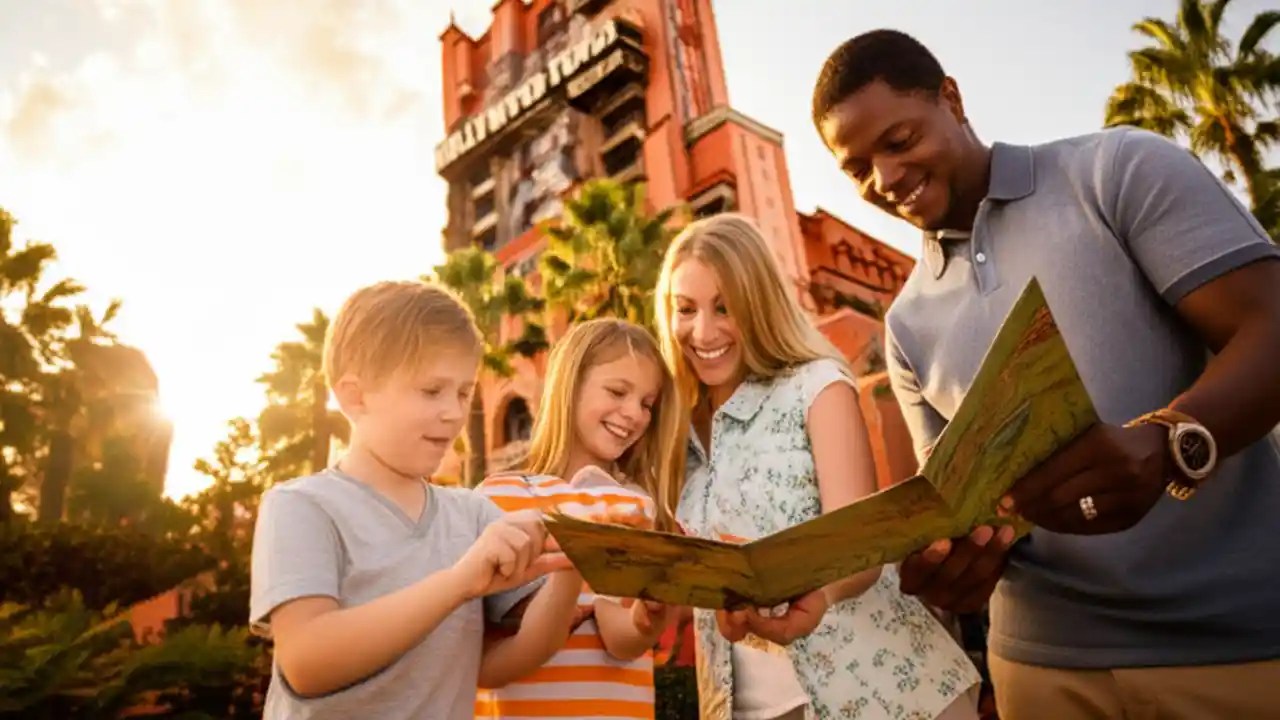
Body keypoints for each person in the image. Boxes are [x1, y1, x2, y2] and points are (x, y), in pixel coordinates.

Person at [809, 29, 1280, 719]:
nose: (883, 178)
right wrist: (955, 564)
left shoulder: (1113, 170)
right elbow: (962, 502)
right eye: (856, 169)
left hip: (1234, 646)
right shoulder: (904, 323)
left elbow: (1269, 324)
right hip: (1039, 665)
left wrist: (1170, 442)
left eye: (900, 140)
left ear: (951, 99)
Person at [653, 213, 981, 720]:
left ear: (758, 304)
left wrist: (813, 595)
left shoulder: (816, 386)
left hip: (881, 697)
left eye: (724, 307)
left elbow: (858, 549)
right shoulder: (673, 434)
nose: (702, 331)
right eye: (685, 309)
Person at [249, 280, 585, 720]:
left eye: (463, 392)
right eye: (431, 391)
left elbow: (501, 664)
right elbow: (307, 662)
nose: (454, 412)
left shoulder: (474, 515)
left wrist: (570, 565)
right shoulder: (300, 507)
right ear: (354, 396)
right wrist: (459, 582)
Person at [474, 318, 683, 720]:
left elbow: (618, 637)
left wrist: (647, 621)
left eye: (646, 404)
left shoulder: (635, 505)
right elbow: (484, 641)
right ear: (570, 385)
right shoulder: (498, 496)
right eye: (617, 392)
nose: (634, 414)